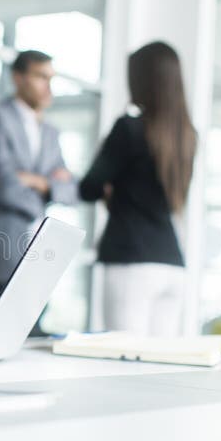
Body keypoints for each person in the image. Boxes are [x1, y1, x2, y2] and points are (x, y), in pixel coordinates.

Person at [79, 41, 197, 336]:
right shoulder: (187, 135)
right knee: (158, 368)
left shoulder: (129, 127)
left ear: (142, 79)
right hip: (171, 264)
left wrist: (109, 190)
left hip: (131, 260)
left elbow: (89, 187)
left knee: (123, 362)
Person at [0, 50, 77, 307]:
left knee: (30, 328)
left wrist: (38, 182)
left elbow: (72, 189)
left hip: (38, 250)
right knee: (16, 327)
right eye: (41, 77)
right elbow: (2, 184)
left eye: (51, 78)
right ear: (18, 78)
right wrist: (49, 186)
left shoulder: (50, 131)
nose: (49, 87)